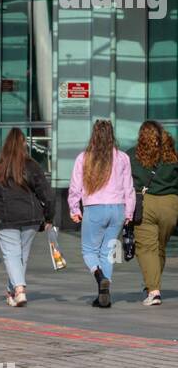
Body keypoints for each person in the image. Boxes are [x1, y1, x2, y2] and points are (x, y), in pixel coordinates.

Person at [0, 128, 54, 307]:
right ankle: (12, 292)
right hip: (31, 218)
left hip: (6, 217)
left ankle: (19, 290)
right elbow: (47, 194)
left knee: (12, 254)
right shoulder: (32, 165)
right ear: (24, 144)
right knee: (21, 256)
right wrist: (49, 217)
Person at [68, 120, 135, 309]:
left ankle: (100, 278)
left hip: (94, 208)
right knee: (107, 253)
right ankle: (104, 295)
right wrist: (129, 213)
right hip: (118, 209)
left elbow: (75, 186)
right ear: (111, 135)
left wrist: (74, 209)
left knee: (89, 251)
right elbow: (128, 188)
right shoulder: (122, 158)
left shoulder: (84, 158)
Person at [128, 120, 178, 305]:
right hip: (171, 204)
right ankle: (152, 283)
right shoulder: (171, 156)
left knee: (147, 248)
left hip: (145, 203)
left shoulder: (133, 154)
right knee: (160, 247)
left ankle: (154, 291)